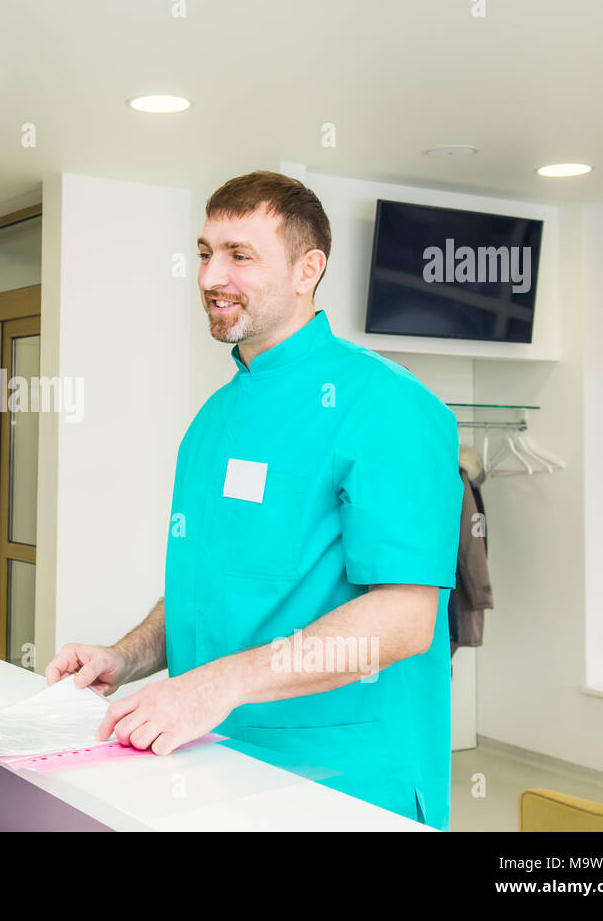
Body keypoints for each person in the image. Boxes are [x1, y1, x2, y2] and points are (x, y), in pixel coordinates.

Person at [46, 171, 463, 830]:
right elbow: (213, 586)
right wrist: (125, 657)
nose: (213, 274)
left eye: (240, 255)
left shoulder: (389, 406)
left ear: (308, 269)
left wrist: (215, 684)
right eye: (206, 251)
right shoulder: (212, 421)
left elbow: (406, 618)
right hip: (214, 765)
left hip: (349, 781)